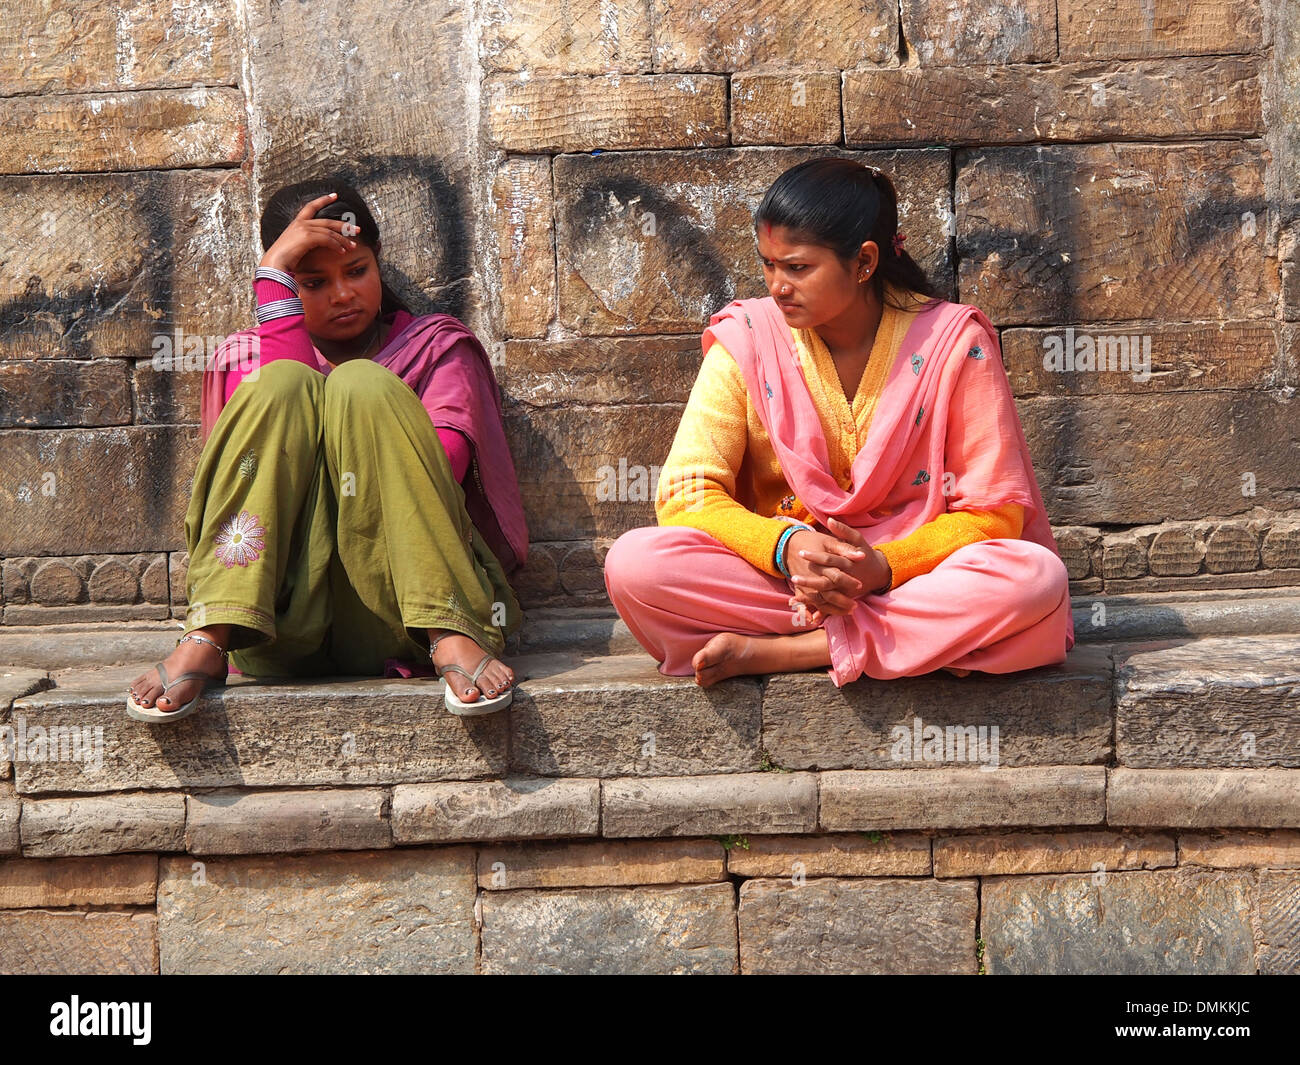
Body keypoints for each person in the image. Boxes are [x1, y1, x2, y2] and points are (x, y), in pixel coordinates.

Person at [604, 158, 1074, 688]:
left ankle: (795, 651)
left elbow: (995, 513)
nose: (777, 287)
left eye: (798, 268)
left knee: (1032, 578)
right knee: (634, 566)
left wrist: (882, 567)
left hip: (913, 577)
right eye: (769, 265)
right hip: (790, 582)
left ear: (864, 262)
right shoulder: (749, 340)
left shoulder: (953, 344)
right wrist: (787, 549)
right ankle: (899, 640)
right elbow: (687, 493)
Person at [127, 181, 528, 720]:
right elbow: (257, 473)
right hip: (277, 621)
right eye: (312, 282)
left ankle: (450, 630)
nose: (342, 294)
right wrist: (276, 295)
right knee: (281, 385)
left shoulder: (437, 347)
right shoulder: (244, 359)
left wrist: (360, 396)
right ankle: (211, 634)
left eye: (357, 271)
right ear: (284, 288)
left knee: (361, 384)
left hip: (402, 615)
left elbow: (440, 472)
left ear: (378, 262)